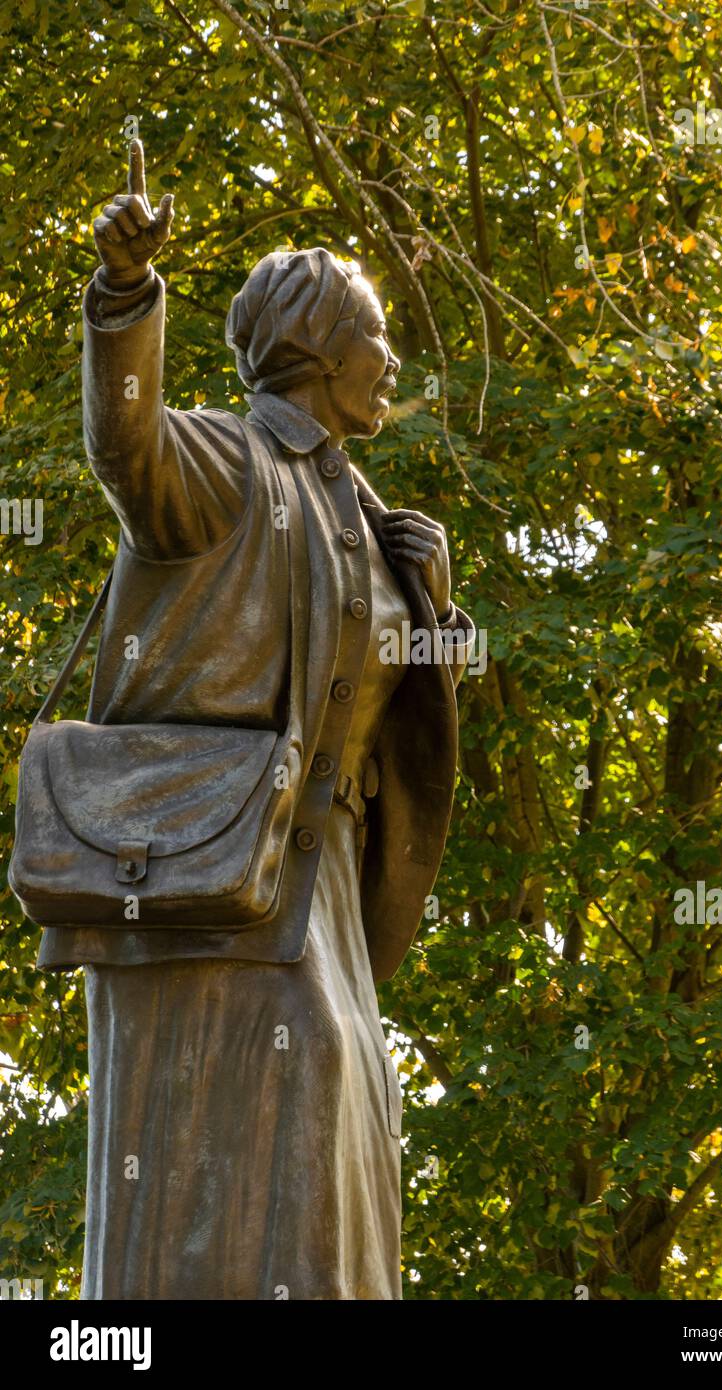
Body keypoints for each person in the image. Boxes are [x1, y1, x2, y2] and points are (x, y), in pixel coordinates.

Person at [36, 140, 473, 1300]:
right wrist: (126, 298)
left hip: (315, 878)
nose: (393, 362)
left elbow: (397, 703)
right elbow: (124, 449)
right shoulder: (228, 463)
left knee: (348, 1129)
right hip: (199, 871)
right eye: (377, 338)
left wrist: (432, 610)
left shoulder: (370, 516)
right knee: (269, 1116)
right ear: (322, 352)